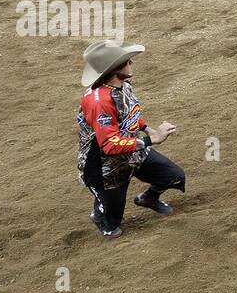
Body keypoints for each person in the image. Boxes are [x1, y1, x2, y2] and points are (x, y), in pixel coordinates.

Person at [76, 40, 185, 239]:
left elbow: (130, 112)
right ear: (113, 69)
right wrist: (152, 140)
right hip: (104, 166)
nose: (131, 63)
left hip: (130, 150)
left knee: (174, 176)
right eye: (127, 61)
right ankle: (100, 213)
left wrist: (147, 129)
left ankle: (148, 198)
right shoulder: (98, 102)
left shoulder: (122, 84)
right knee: (112, 227)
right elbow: (108, 145)